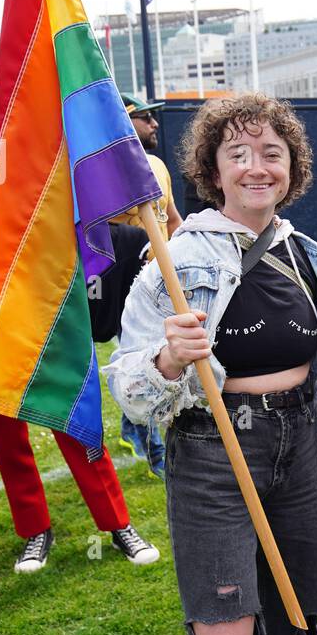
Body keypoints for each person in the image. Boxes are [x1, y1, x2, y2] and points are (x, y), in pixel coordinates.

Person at [107, 93, 317, 635]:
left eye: (271, 153)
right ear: (214, 170)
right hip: (214, 456)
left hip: (298, 451)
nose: (257, 167)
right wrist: (169, 360)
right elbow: (130, 395)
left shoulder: (310, 258)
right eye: (238, 154)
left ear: (293, 167)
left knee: (293, 624)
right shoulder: (175, 262)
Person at [0, 80, 160, 575]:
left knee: (81, 425)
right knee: (6, 436)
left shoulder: (42, 182)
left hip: (49, 324)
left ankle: (117, 522)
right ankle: (34, 529)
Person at [113, 93, 182, 479]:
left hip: (163, 281)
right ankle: (153, 448)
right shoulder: (107, 169)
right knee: (140, 361)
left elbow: (171, 218)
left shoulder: (157, 164)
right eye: (146, 117)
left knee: (162, 357)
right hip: (128, 286)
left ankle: (131, 428)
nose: (154, 124)